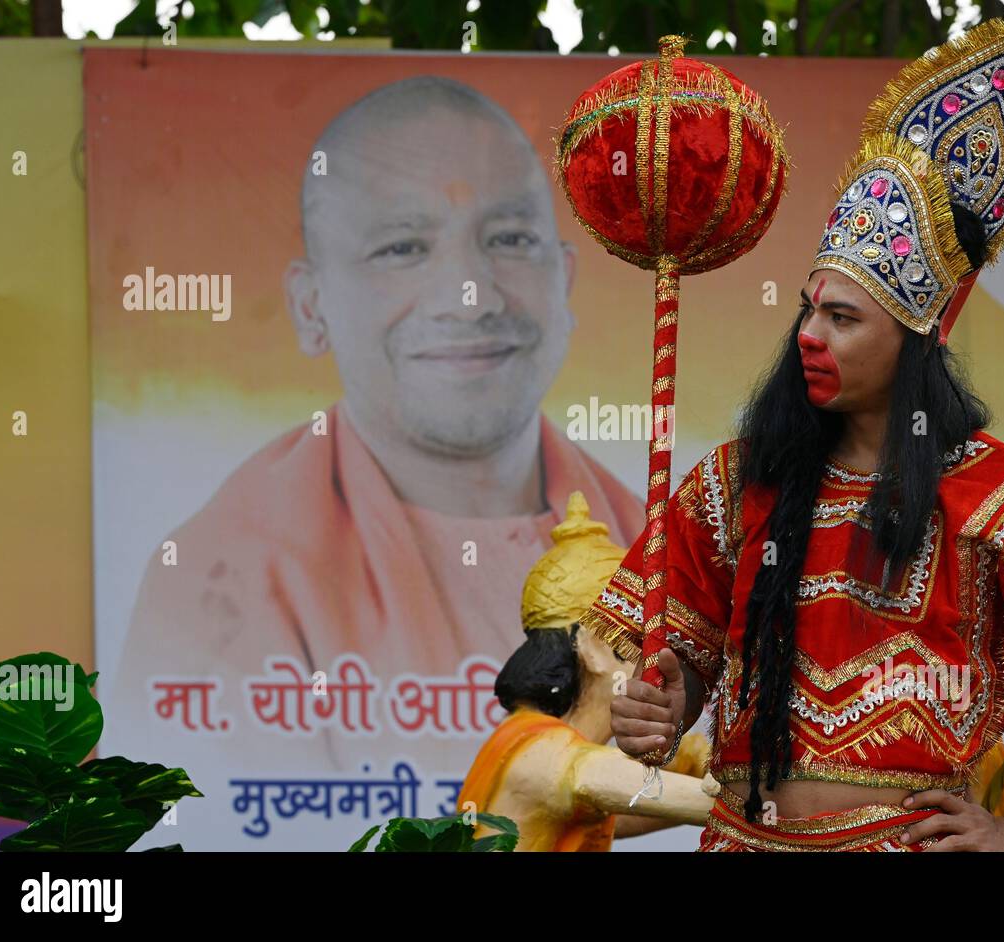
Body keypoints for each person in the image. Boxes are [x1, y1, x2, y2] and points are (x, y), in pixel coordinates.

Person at [582, 19, 1004, 852]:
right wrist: (658, 705)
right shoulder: (735, 481)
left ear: (914, 337)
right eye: (808, 310)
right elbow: (676, 661)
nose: (808, 336)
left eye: (842, 318)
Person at [108, 77, 645, 782]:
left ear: (564, 280)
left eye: (510, 239)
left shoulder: (650, 541)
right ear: (311, 307)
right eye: (402, 248)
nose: (471, 298)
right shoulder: (226, 575)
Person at [458, 492, 717, 851]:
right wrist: (762, 794)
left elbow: (634, 803)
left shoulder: (572, 773)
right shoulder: (543, 755)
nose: (654, 661)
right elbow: (713, 805)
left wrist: (712, 757)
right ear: (593, 647)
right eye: (637, 642)